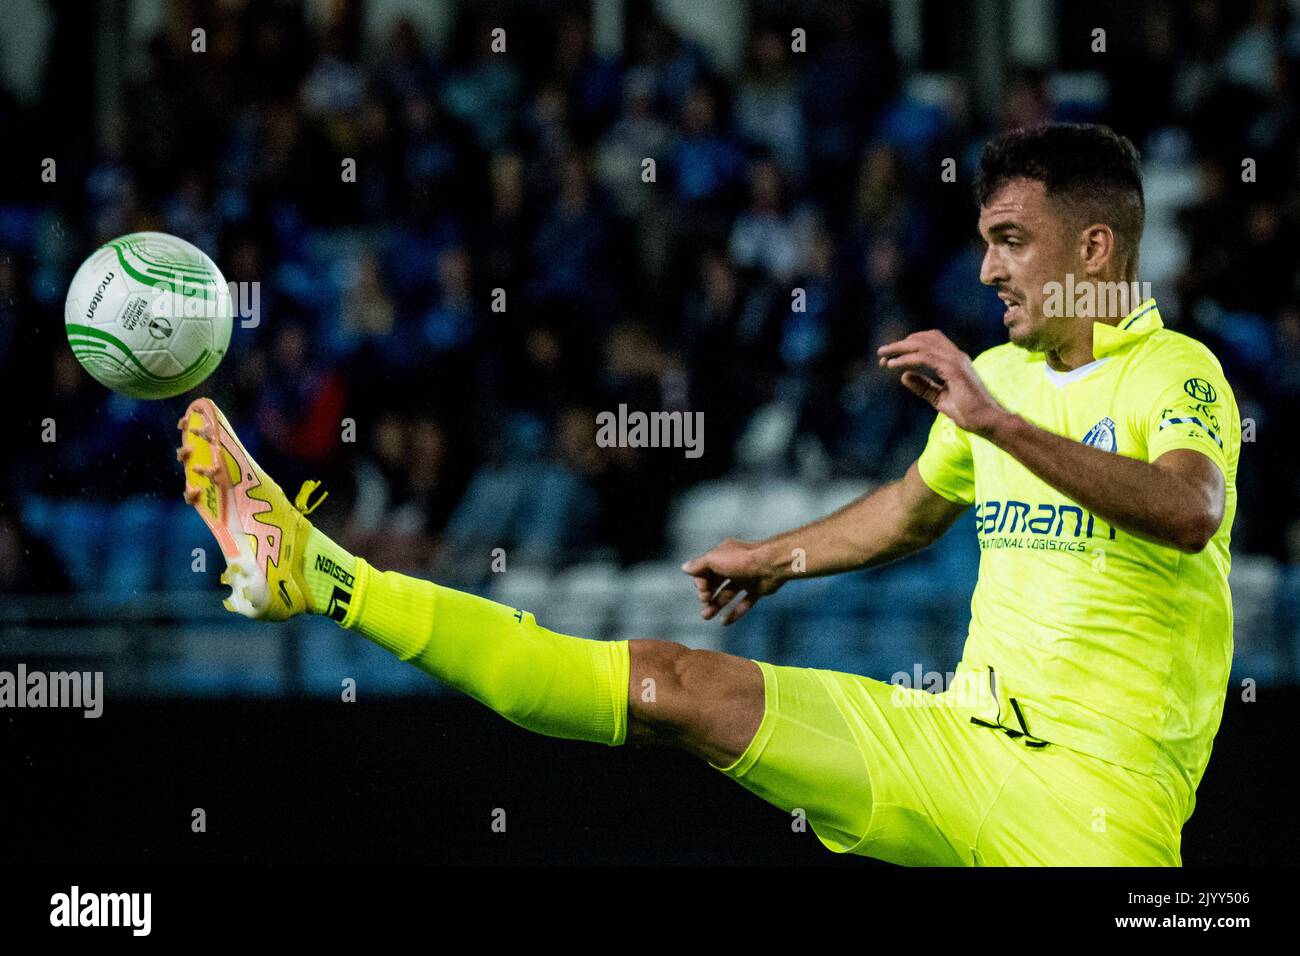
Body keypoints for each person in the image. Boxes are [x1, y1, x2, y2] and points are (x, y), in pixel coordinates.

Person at [178, 123, 1238, 866]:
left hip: (1092, 806)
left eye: (1010, 240)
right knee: (672, 682)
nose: (985, 270)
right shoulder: (999, 377)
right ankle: (325, 575)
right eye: (983, 241)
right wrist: (771, 557)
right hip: (955, 743)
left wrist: (1000, 425)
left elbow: (1189, 510)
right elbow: (912, 506)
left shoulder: (1171, 371)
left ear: (1094, 248)